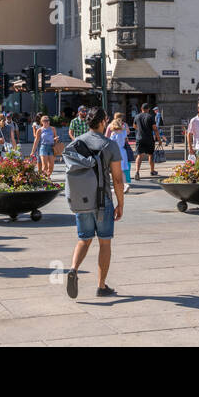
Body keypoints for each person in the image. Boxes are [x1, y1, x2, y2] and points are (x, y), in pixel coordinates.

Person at [62, 107, 125, 299]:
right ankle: (101, 286)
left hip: (81, 200)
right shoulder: (109, 145)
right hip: (102, 201)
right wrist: (120, 204)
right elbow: (117, 180)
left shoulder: (77, 142)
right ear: (103, 121)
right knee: (104, 244)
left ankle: (73, 269)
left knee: (84, 239)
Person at [106, 112, 133, 193]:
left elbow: (109, 140)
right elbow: (127, 135)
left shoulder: (114, 133)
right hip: (123, 151)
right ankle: (125, 184)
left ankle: (118, 186)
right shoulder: (123, 132)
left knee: (115, 170)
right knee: (122, 170)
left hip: (115, 152)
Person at [132, 102, 159, 180]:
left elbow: (134, 126)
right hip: (149, 138)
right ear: (148, 109)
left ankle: (137, 172)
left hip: (139, 138)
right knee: (151, 155)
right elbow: (155, 129)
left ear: (141, 109)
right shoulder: (150, 117)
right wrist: (159, 139)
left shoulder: (137, 116)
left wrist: (140, 130)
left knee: (139, 155)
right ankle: (152, 171)